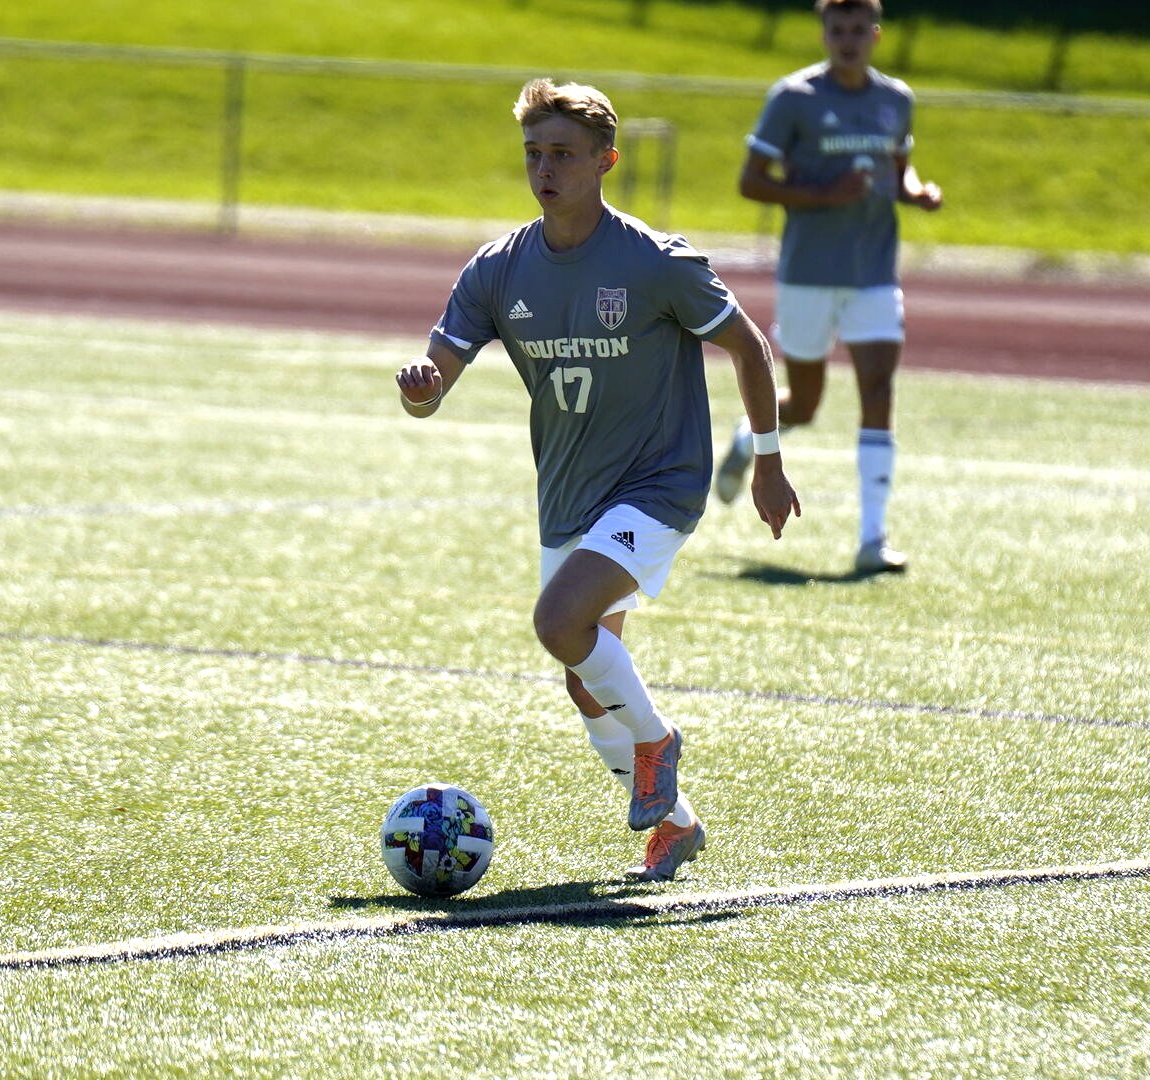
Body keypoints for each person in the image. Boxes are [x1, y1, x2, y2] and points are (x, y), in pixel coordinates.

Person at [396, 79, 799, 884]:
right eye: (534, 154)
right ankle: (675, 827)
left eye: (564, 155)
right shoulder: (498, 269)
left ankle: (657, 744)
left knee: (557, 620)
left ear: (605, 161)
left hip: (660, 481)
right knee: (588, 684)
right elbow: (436, 378)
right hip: (570, 498)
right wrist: (421, 388)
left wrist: (768, 459)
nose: (545, 169)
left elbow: (750, 347)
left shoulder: (654, 262)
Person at [714, 0, 943, 575]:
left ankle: (873, 539)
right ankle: (748, 440)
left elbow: (897, 169)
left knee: (879, 392)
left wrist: (915, 191)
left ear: (876, 34)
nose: (848, 40)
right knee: (807, 403)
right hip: (809, 273)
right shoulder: (794, 98)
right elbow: (750, 182)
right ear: (824, 33)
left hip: (873, 273)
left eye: (858, 30)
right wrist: (824, 195)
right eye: (837, 30)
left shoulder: (896, 100)